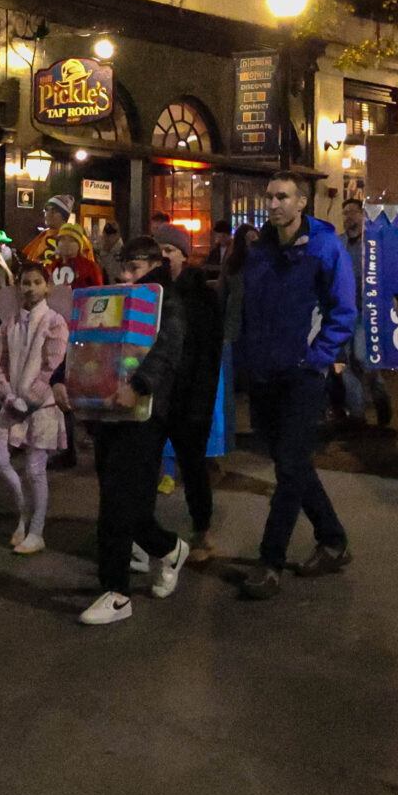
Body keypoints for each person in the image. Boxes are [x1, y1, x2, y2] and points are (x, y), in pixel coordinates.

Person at [233, 173, 357, 602]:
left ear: (302, 202)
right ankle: (333, 540)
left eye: (282, 196)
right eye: (269, 196)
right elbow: (249, 309)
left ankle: (270, 561)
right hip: (266, 373)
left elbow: (344, 310)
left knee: (288, 466)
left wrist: (317, 358)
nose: (273, 203)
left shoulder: (325, 248)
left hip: (303, 375)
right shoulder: (260, 250)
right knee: (293, 464)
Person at [80, 238, 193, 626]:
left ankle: (116, 593)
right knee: (129, 503)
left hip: (144, 413)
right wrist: (76, 382)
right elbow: (94, 343)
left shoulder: (167, 300)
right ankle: (171, 548)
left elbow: (167, 350)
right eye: (123, 268)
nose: (126, 276)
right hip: (110, 407)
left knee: (117, 502)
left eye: (134, 268)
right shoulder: (122, 297)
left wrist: (140, 385)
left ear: (153, 264)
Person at [0, 262, 69, 555]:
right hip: (12, 403)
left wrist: (30, 398)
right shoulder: (9, 324)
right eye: (25, 282)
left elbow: (52, 366)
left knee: (35, 469)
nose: (30, 288)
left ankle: (36, 529)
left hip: (42, 407)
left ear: (46, 286)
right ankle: (23, 513)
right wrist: (6, 393)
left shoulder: (55, 321)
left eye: (36, 282)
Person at [159, 235, 225, 560]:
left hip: (190, 395)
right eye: (159, 250)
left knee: (192, 466)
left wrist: (202, 399)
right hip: (157, 395)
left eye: (169, 249)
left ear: (184, 255)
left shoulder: (201, 296)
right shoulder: (152, 292)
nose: (163, 255)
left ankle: (202, 531)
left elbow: (209, 354)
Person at [332, 198, 392, 430]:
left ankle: (380, 397)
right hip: (342, 313)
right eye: (345, 213)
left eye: (353, 213)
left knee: (362, 358)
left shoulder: (374, 244)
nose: (348, 218)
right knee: (344, 363)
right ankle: (357, 414)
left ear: (363, 215)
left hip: (366, 314)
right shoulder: (338, 244)